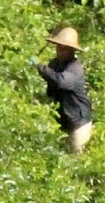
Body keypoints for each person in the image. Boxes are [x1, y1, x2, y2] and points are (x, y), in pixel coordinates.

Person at [32, 26, 93, 154]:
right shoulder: (54, 64)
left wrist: (40, 67)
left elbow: (61, 82)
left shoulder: (75, 68)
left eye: (63, 48)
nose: (59, 50)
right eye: (58, 46)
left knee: (76, 157)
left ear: (71, 51)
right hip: (63, 122)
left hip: (78, 123)